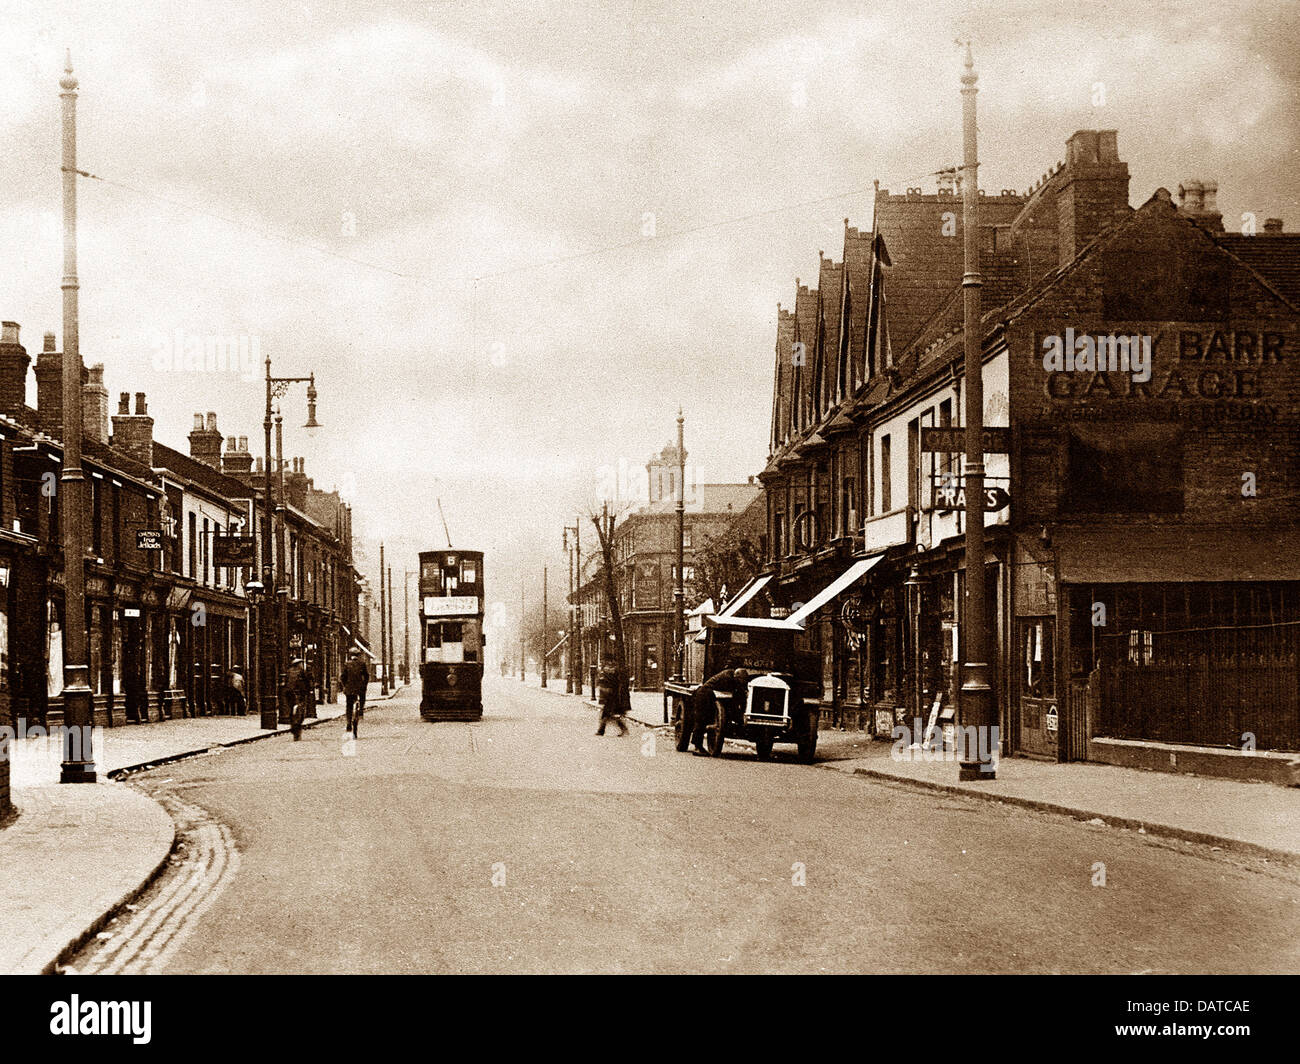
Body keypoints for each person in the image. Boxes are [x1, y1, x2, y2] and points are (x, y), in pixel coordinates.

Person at [689, 667, 750, 756]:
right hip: (704, 694)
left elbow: (740, 697)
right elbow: (735, 698)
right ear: (737, 678)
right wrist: (739, 717)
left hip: (713, 695)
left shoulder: (734, 678)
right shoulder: (727, 679)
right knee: (701, 719)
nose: (743, 683)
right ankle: (697, 746)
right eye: (742, 681)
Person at [340, 650, 369, 739]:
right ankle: (360, 711)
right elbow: (366, 676)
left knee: (349, 706)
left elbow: (342, 677)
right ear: (358, 655)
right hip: (359, 689)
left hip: (349, 689)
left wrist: (345, 686)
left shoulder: (347, 664)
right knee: (362, 699)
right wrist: (364, 685)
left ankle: (348, 722)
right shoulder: (362, 664)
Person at [594, 661, 628, 736]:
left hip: (610, 697)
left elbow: (605, 684)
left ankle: (601, 731)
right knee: (610, 714)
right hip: (613, 696)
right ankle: (602, 730)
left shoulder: (607, 673)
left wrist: (603, 689)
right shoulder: (614, 673)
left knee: (607, 714)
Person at [285, 658, 310, 740]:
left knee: (292, 711)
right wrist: (309, 691)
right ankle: (296, 729)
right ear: (299, 664)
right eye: (301, 664)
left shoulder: (289, 671)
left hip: (289, 694)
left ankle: (294, 726)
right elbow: (307, 682)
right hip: (299, 694)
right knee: (301, 713)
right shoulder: (302, 672)